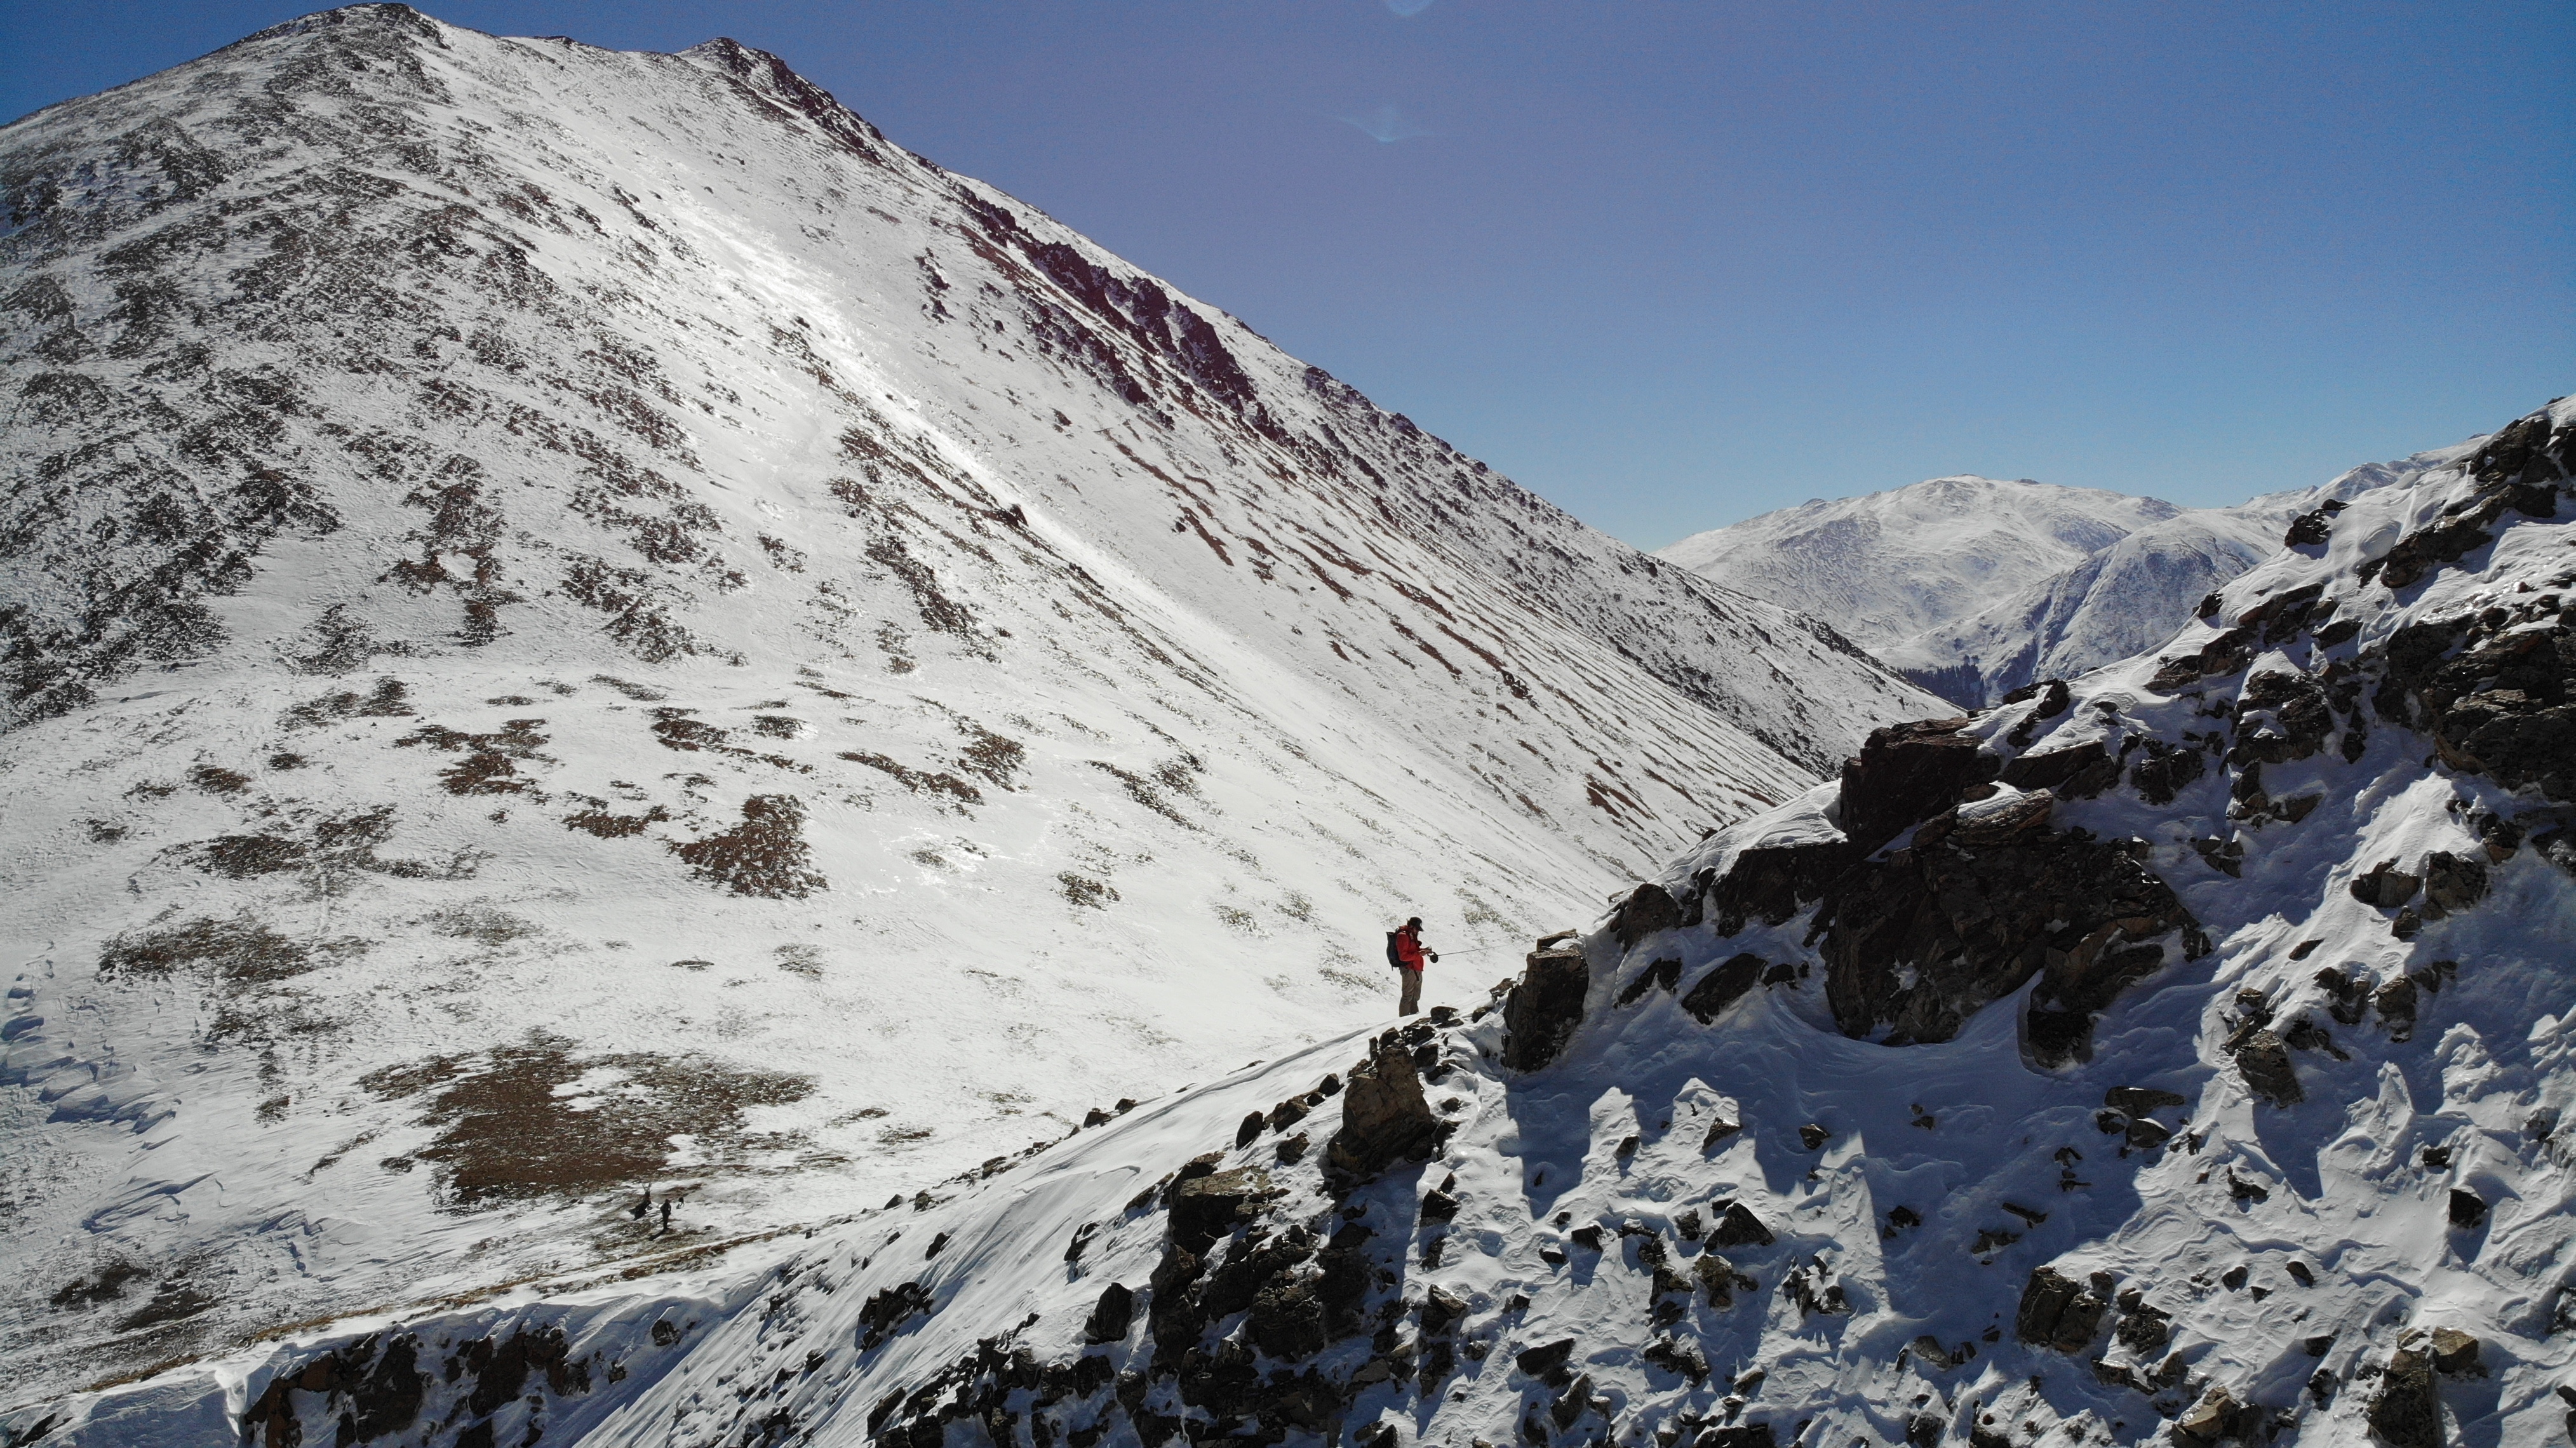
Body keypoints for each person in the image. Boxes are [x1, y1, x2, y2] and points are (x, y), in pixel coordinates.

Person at [1391, 916, 1437, 1015]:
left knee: (1415, 997)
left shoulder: (1411, 935)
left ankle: (1414, 1019)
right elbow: (1403, 957)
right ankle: (1403, 1023)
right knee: (1407, 997)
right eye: (1417, 929)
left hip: (1416, 969)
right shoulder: (1403, 936)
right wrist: (1419, 954)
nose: (1418, 932)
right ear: (1411, 926)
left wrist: (1424, 950)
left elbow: (1412, 951)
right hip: (1409, 970)